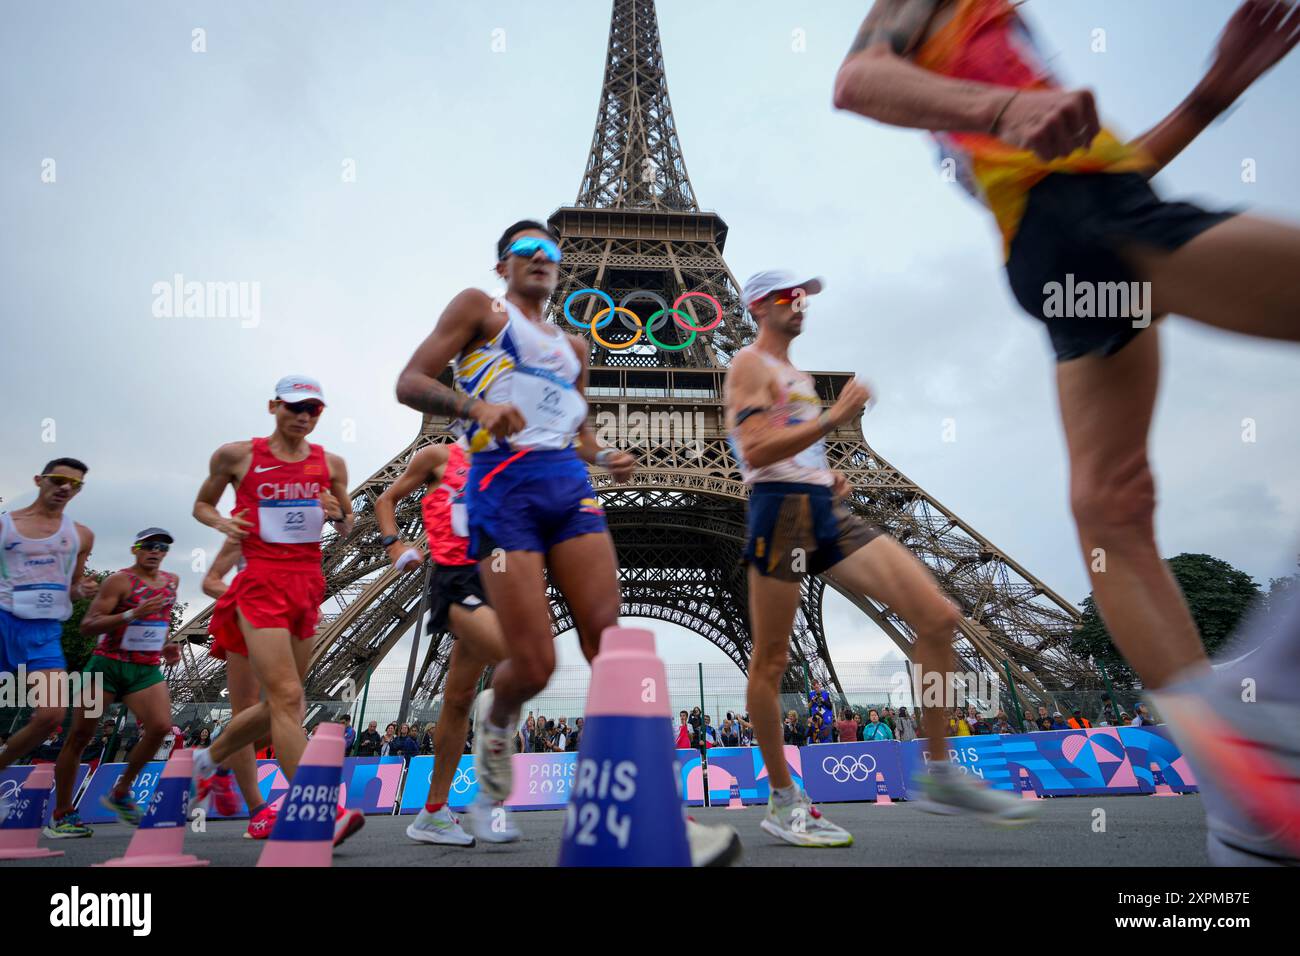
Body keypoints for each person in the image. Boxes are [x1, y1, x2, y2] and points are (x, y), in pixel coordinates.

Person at [832, 0, 1300, 864]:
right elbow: (857, 79)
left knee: (1111, 509)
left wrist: (1209, 96)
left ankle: (1244, 799)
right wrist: (1004, 107)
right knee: (1112, 508)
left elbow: (1107, 164)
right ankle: (1279, 687)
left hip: (1075, 235)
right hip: (1084, 222)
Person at [394, 218, 740, 865]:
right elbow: (410, 382)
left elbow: (576, 431)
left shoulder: (574, 346)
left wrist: (605, 455)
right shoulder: (480, 309)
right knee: (533, 666)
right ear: (502, 265)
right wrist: (475, 408)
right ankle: (499, 721)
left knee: (611, 643)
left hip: (567, 488)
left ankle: (660, 808)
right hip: (501, 491)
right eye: (526, 249)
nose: (541, 257)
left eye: (549, 251)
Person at [725, 269, 1035, 848]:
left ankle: (938, 771)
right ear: (759, 306)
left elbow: (794, 446)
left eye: (805, 296)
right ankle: (784, 799)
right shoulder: (748, 364)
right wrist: (834, 417)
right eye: (789, 296)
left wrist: (828, 474)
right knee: (770, 660)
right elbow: (756, 449)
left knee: (938, 617)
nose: (800, 303)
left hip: (824, 508)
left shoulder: (799, 377)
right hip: (781, 513)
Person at [189, 375, 365, 848]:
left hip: (307, 585)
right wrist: (222, 522)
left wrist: (337, 512)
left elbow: (349, 524)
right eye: (294, 406)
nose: (303, 416)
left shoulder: (332, 464)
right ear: (273, 406)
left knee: (282, 704)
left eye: (313, 409)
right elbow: (201, 504)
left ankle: (208, 759)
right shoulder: (236, 456)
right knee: (286, 697)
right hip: (259, 584)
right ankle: (317, 809)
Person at [375, 436, 522, 845]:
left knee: (458, 700)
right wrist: (394, 545)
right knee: (520, 659)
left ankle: (433, 812)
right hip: (457, 579)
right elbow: (385, 500)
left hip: (499, 581)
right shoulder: (439, 456)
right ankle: (490, 786)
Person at [42, 529, 180, 836]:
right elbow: (88, 625)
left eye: (161, 547)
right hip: (107, 665)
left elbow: (157, 621)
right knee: (80, 735)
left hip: (144, 669)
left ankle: (121, 792)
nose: (155, 551)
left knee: (160, 727)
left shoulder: (172, 582)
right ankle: (62, 814)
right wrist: (131, 614)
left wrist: (166, 645)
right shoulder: (119, 581)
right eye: (148, 546)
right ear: (135, 549)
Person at [0, 458, 99, 818]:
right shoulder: (6, 526)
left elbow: (72, 587)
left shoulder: (81, 535)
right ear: (39, 480)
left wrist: (82, 591)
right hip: (3, 620)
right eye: (58, 480)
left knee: (51, 715)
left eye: (75, 484)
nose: (65, 488)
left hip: (44, 631)